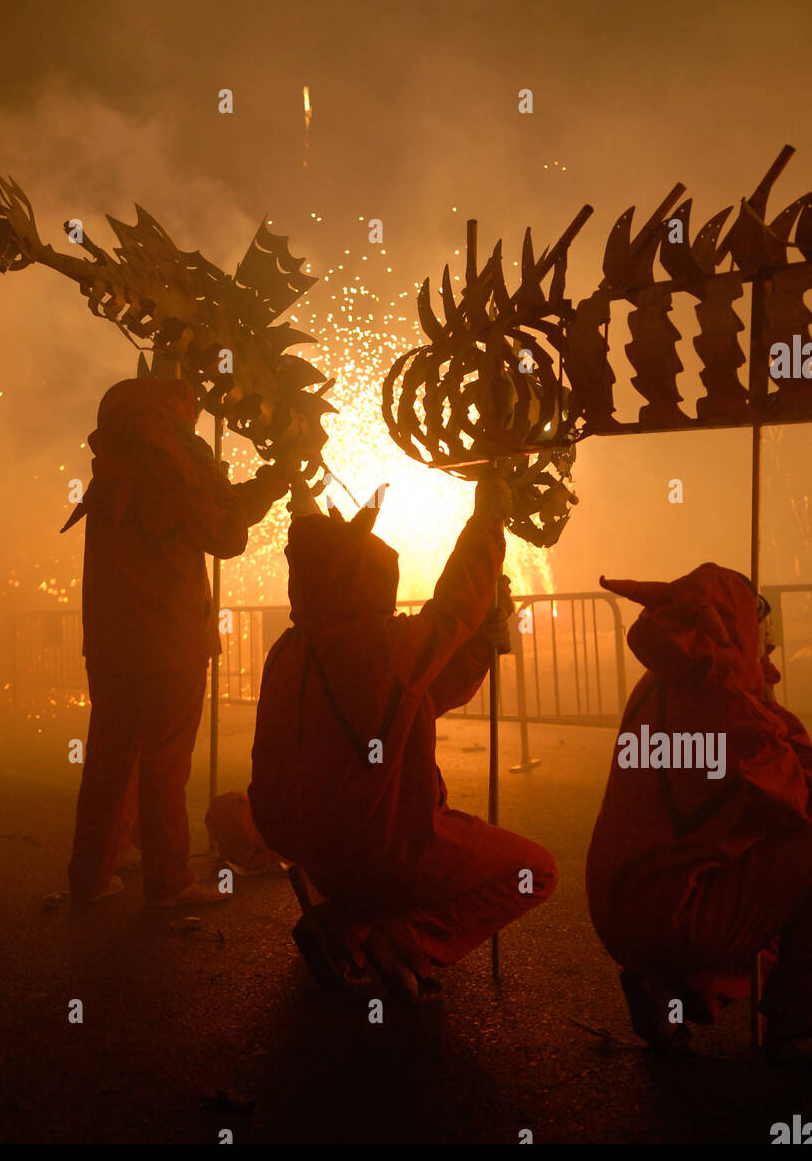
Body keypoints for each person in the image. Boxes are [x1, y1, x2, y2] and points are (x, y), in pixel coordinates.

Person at [247, 473, 558, 1002]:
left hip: (308, 847)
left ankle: (343, 929)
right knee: (535, 870)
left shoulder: (288, 650)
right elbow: (456, 607)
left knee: (378, 868)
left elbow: (417, 702)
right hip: (383, 847)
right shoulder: (387, 645)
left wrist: (480, 646)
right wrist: (486, 522)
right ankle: (404, 941)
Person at [64, 375, 290, 906]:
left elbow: (196, 523)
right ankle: (169, 881)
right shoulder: (172, 460)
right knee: (166, 761)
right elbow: (223, 533)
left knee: (108, 759)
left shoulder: (114, 467)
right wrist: (265, 488)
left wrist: (246, 491)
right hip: (168, 642)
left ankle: (90, 877)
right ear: (174, 411)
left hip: (112, 645)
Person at [586, 563, 812, 1068]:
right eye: (762, 636)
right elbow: (798, 800)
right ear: (734, 631)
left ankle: (670, 993)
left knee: (762, 883)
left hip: (622, 893)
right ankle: (797, 1028)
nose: (770, 647)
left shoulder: (661, 682)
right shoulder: (733, 710)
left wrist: (756, 684)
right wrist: (769, 703)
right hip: (669, 910)